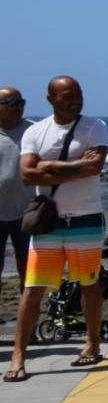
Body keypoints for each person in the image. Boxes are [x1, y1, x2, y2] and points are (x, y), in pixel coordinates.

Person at [6, 77, 108, 382]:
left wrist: (47, 166)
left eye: (78, 94)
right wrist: (75, 166)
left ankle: (92, 343)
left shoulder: (95, 126)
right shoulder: (35, 131)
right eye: (67, 96)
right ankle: (18, 355)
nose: (75, 100)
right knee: (33, 288)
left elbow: (95, 167)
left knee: (88, 283)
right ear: (51, 99)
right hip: (48, 222)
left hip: (86, 218)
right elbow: (27, 175)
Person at [0, 88, 31, 293]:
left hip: (27, 214)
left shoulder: (34, 132)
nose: (18, 107)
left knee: (27, 270)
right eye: (12, 103)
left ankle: (27, 310)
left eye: (21, 102)